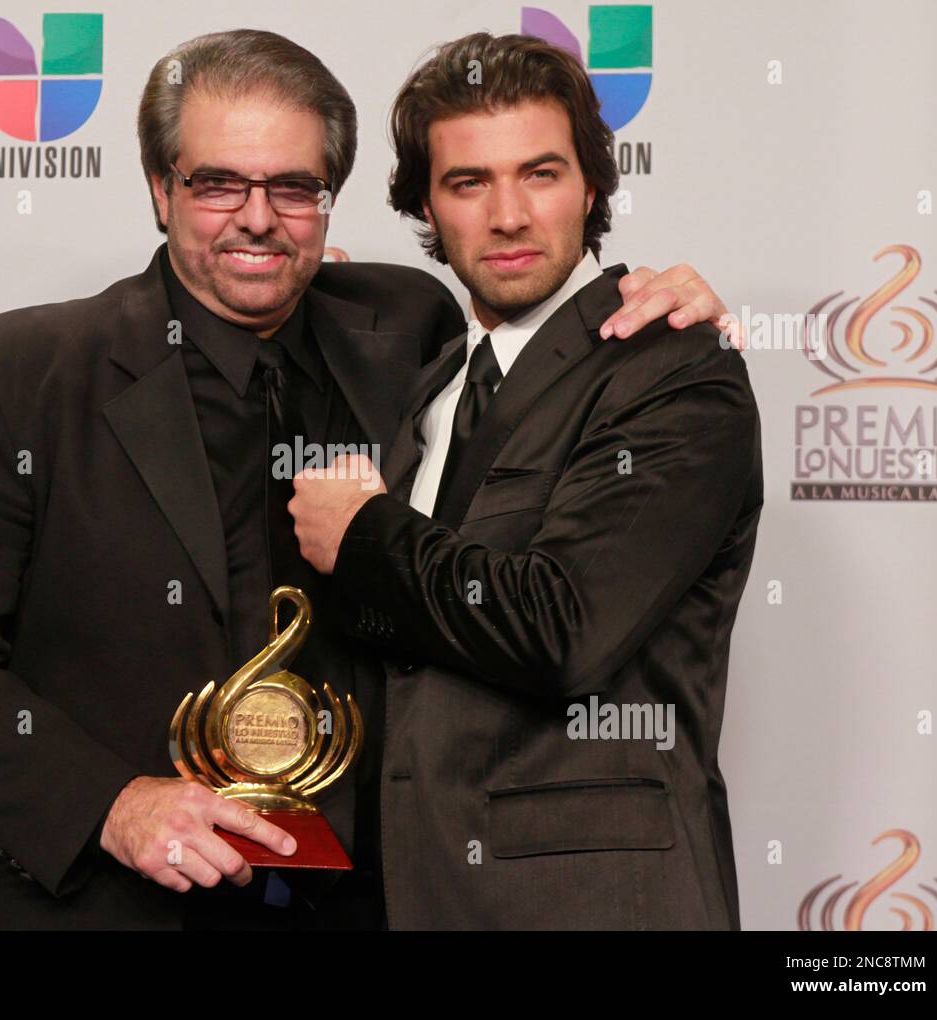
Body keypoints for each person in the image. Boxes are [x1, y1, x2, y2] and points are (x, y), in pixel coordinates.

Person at [0, 28, 732, 930]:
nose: (258, 218)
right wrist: (113, 807)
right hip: (102, 904)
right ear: (161, 189)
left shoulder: (408, 330)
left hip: (363, 905)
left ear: (330, 200)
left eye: (293, 188)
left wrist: (670, 306)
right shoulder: (22, 372)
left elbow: (543, 334)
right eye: (218, 183)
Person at [289, 33, 763, 929]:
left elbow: (563, 629)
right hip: (410, 892)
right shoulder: (434, 383)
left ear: (592, 186)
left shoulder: (672, 370)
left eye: (540, 174)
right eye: (468, 183)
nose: (507, 215)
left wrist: (361, 534)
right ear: (425, 204)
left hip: (594, 903)